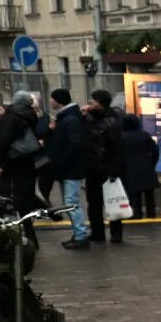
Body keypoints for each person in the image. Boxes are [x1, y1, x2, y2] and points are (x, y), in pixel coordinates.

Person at [0, 92, 47, 223]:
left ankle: (14, 221)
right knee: (25, 191)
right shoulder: (30, 115)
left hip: (12, 159)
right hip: (26, 158)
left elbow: (4, 140)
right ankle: (27, 221)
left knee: (10, 192)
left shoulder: (11, 117)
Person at [48, 89, 94, 249]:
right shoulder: (69, 117)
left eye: (52, 99)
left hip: (70, 169)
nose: (50, 102)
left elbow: (75, 145)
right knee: (70, 202)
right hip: (68, 168)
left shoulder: (70, 119)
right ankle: (78, 233)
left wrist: (61, 161)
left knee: (71, 202)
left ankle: (80, 235)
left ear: (58, 101)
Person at [84, 88, 125, 244]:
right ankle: (97, 231)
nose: (88, 104)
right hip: (93, 167)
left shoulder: (111, 122)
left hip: (106, 167)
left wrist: (114, 170)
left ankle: (116, 233)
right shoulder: (89, 119)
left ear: (99, 103)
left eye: (91, 101)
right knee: (93, 203)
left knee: (112, 201)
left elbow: (117, 148)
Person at [119, 113, 159, 225]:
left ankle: (137, 213)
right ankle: (151, 214)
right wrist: (152, 163)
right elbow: (155, 151)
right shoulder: (144, 135)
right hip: (146, 166)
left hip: (130, 166)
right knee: (149, 192)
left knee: (134, 192)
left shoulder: (122, 137)